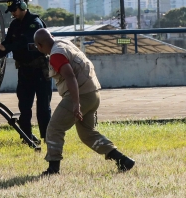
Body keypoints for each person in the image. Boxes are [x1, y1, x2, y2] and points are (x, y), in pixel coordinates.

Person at [33, 28, 135, 175]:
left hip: (80, 96)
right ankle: (123, 160)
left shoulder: (56, 55)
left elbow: (70, 77)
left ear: (39, 45)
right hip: (93, 93)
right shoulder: (65, 43)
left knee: (54, 128)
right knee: (87, 133)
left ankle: (53, 169)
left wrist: (76, 103)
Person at [0, 0, 51, 144]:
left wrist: (7, 47)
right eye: (11, 11)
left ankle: (48, 137)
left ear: (23, 7)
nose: (13, 13)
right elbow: (7, 44)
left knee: (43, 107)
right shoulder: (14, 25)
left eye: (15, 10)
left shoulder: (34, 23)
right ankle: (26, 137)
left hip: (40, 70)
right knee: (24, 106)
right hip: (25, 71)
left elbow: (26, 41)